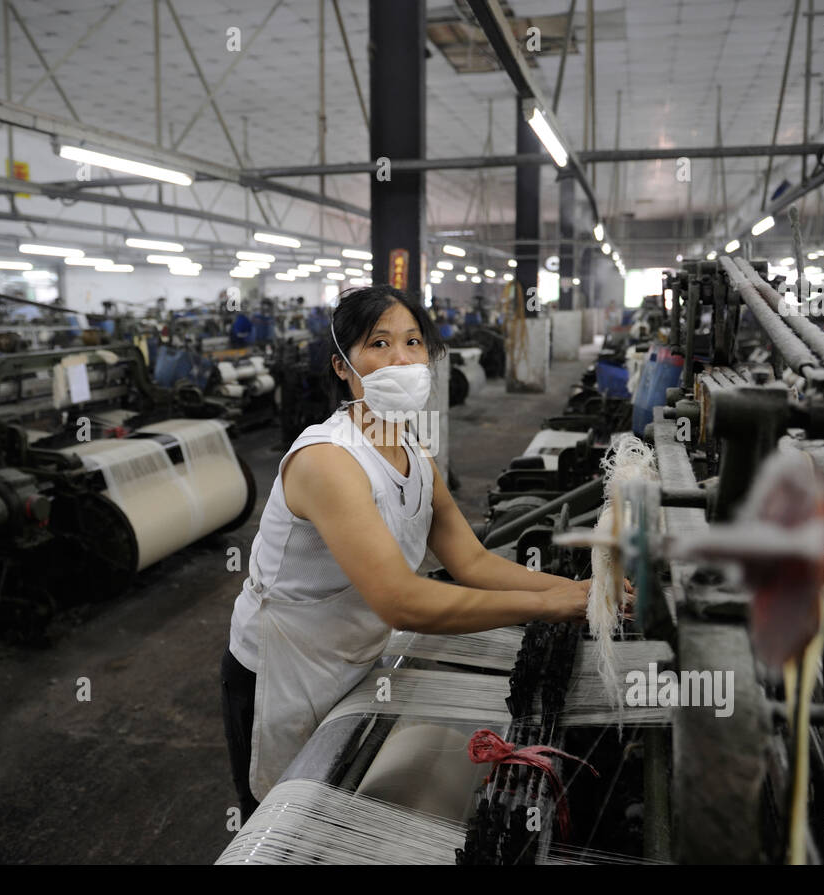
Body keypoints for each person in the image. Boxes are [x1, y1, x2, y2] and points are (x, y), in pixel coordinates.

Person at [221, 284, 590, 819]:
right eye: (379, 344)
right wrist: (551, 605)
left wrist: (578, 592)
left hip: (353, 654)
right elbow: (400, 602)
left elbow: (471, 562)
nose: (402, 358)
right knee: (281, 818)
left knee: (341, 802)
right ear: (343, 367)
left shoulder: (415, 454)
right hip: (281, 669)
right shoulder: (329, 461)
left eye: (414, 342)